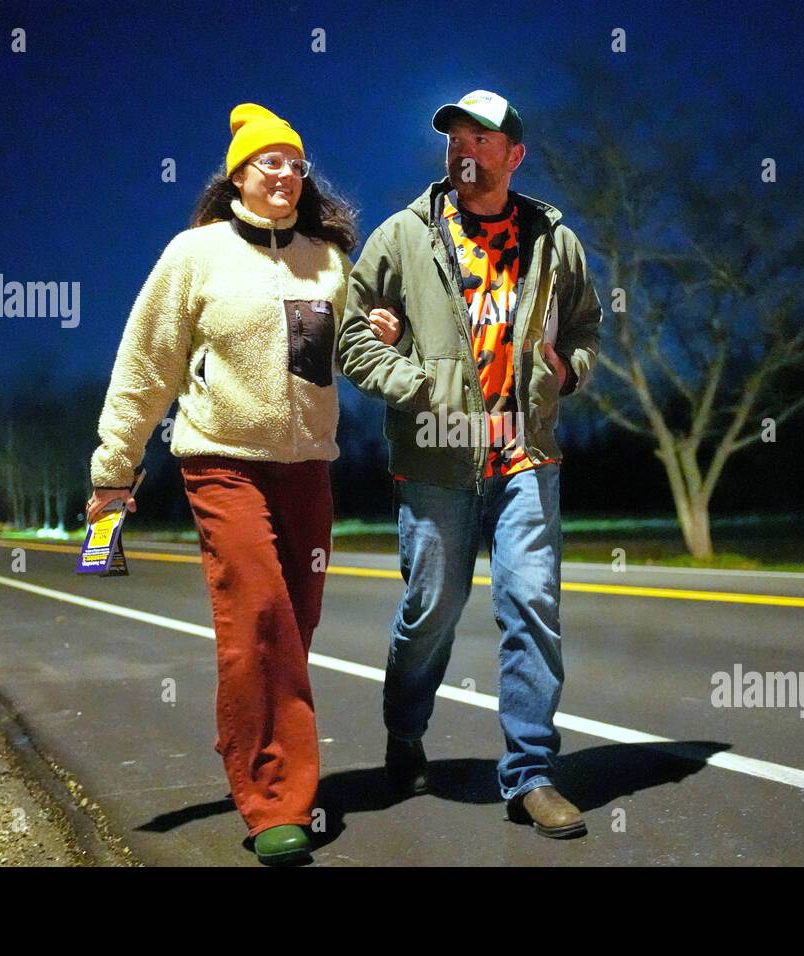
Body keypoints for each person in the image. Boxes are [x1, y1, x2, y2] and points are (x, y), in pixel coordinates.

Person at [85, 103, 397, 864]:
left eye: (295, 163)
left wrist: (384, 331)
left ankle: (249, 732)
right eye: (269, 163)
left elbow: (346, 352)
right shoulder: (195, 255)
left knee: (291, 627)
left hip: (307, 470)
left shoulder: (327, 259)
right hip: (221, 460)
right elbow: (145, 368)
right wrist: (113, 473)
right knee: (258, 613)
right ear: (237, 178)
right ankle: (274, 801)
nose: (286, 175)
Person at [337, 90, 602, 838]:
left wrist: (568, 371)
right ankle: (405, 730)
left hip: (526, 456)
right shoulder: (402, 237)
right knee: (431, 614)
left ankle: (529, 774)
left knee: (530, 608)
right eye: (456, 137)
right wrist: (412, 384)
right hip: (436, 459)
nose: (464, 149)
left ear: (514, 155)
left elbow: (585, 328)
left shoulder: (555, 240)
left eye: (482, 139)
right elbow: (351, 336)